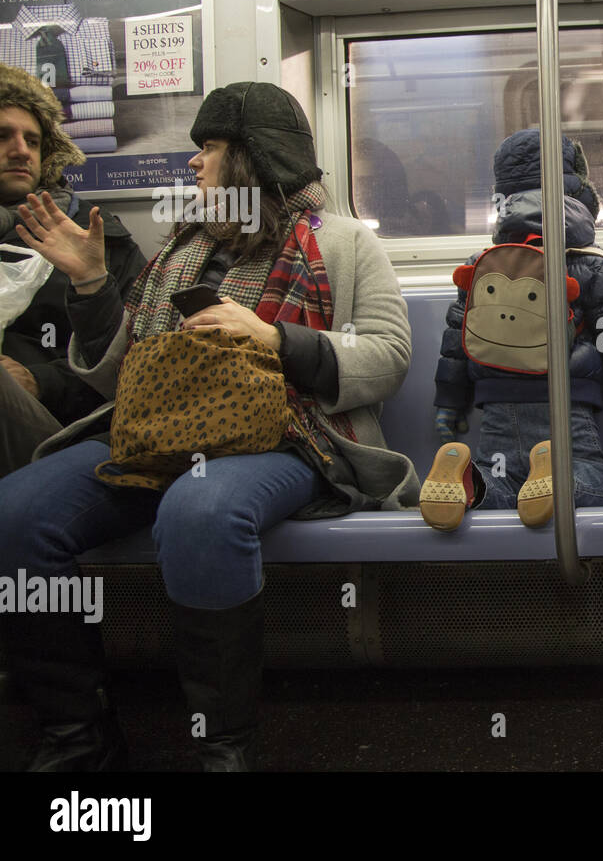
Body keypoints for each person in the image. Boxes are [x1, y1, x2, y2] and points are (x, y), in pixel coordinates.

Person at [0, 81, 419, 771]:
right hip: (157, 432)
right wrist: (89, 287)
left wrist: (274, 339)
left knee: (200, 508)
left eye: (210, 147)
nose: (193, 164)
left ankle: (221, 748)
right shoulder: (178, 252)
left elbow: (389, 355)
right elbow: (119, 377)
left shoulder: (341, 242)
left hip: (288, 431)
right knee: (17, 513)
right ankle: (78, 736)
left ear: (253, 157)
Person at [421, 129, 603, 530]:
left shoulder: (482, 263)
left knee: (502, 485)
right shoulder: (589, 263)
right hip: (566, 407)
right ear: (574, 186)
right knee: (600, 484)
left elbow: (457, 337)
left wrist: (449, 401)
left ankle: (468, 482)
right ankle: (557, 477)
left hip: (494, 408)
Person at [0, 62, 144, 476]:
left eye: (33, 140)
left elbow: (136, 359)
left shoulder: (96, 235)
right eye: (3, 136)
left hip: (59, 427)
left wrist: (39, 380)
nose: (21, 150)